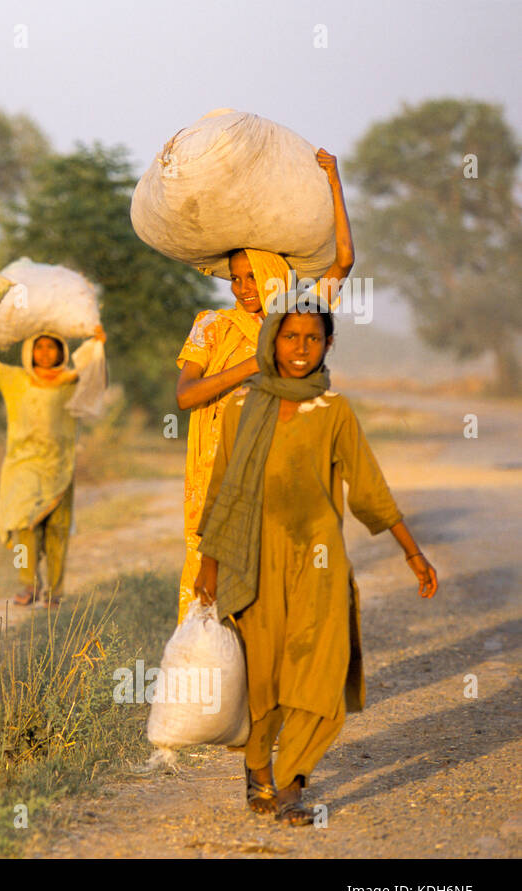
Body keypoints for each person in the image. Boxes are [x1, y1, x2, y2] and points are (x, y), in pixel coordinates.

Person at [194, 295, 438, 826]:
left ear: (328, 344)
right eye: (290, 336)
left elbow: (370, 488)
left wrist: (412, 551)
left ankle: (292, 787)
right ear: (272, 341)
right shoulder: (240, 407)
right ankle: (258, 768)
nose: (300, 348)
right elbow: (220, 490)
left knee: (320, 675)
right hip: (251, 561)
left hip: (319, 562)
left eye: (312, 338)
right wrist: (206, 566)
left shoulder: (335, 411)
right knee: (261, 680)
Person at [175, 149, 355, 621]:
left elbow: (343, 262)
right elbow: (186, 396)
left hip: (274, 465)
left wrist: (334, 181)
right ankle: (216, 688)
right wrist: (253, 363)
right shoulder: (210, 325)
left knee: (269, 578)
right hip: (215, 466)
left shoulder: (296, 320)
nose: (242, 287)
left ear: (274, 275)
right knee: (209, 579)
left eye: (252, 276)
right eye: (235, 278)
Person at [0, 326, 105, 606]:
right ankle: (28, 585)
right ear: (30, 351)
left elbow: (96, 378)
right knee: (25, 525)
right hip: (23, 467)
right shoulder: (15, 378)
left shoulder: (72, 380)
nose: (45, 353)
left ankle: (55, 592)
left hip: (60, 466)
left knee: (58, 529)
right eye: (39, 347)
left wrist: (97, 344)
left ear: (61, 350)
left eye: (51, 347)